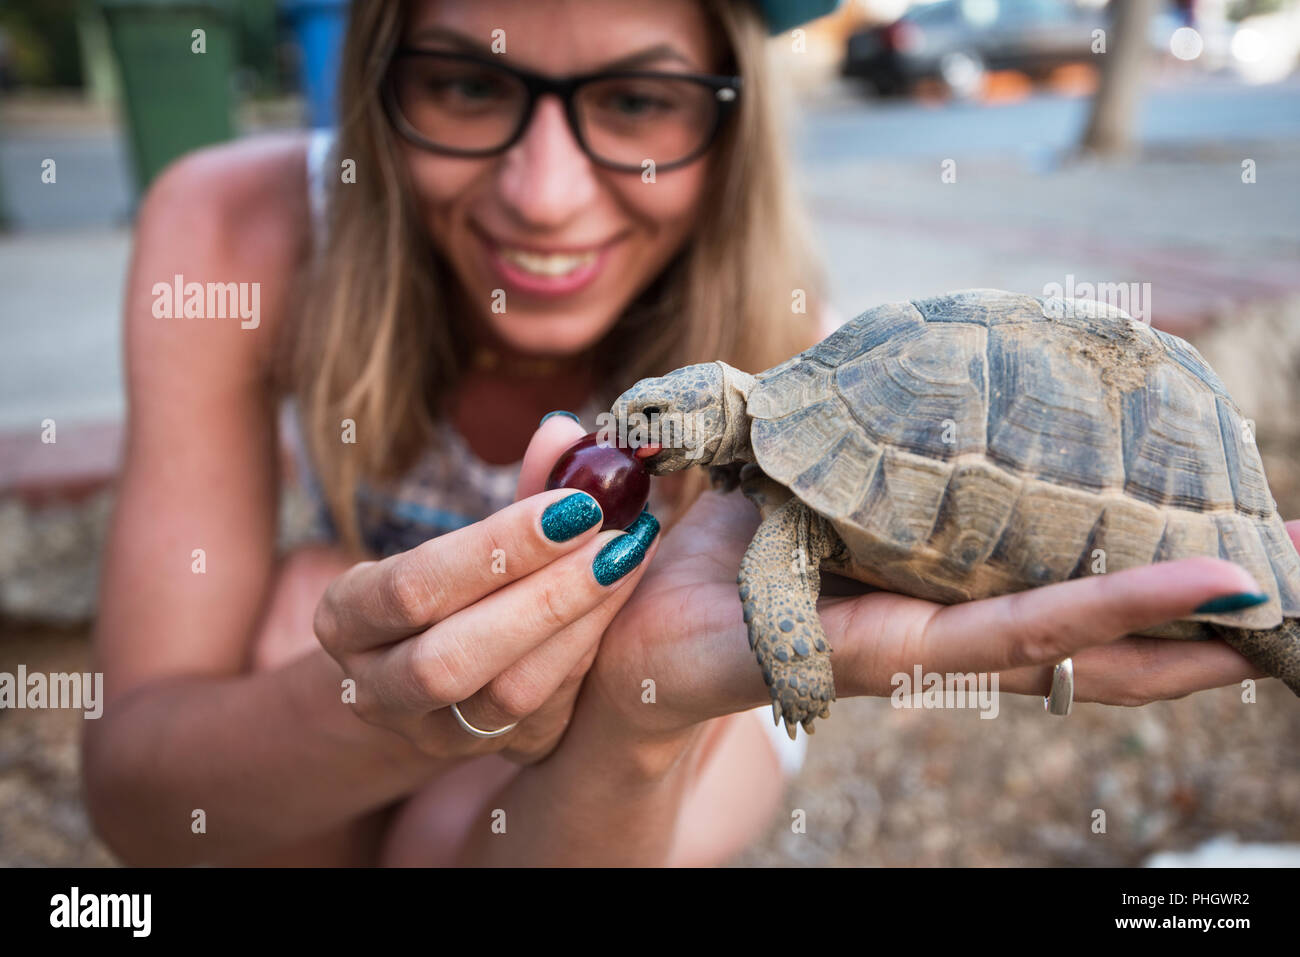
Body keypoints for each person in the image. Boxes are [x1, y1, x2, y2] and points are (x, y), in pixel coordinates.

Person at [83, 0, 1290, 867]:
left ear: (733, 106)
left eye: (638, 98)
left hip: (667, 704)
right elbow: (138, 799)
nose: (544, 194)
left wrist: (635, 716)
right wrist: (382, 715)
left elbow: (770, 579)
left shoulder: (792, 346)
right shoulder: (227, 227)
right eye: (467, 80)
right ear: (370, 75)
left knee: (490, 805)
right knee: (306, 601)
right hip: (336, 694)